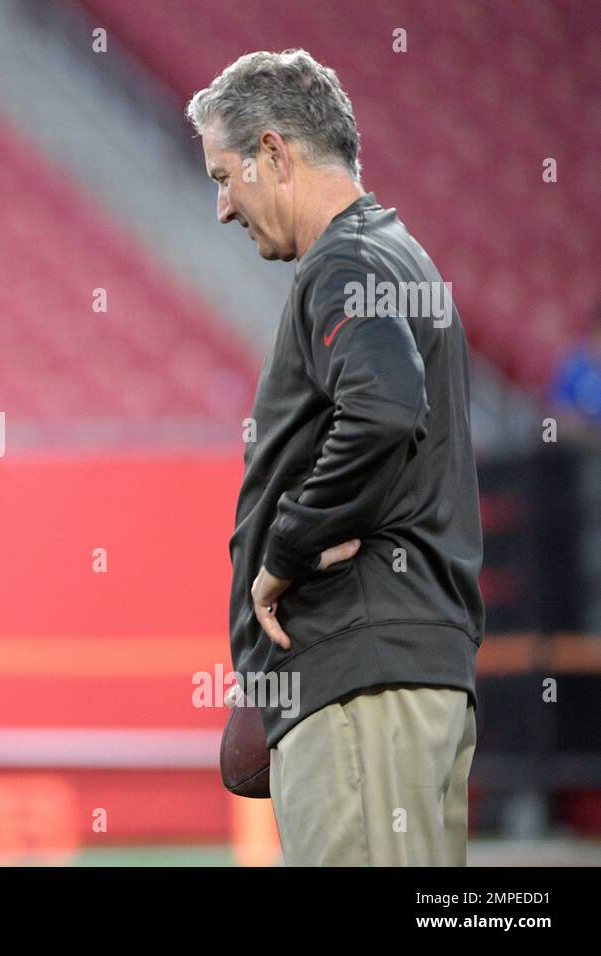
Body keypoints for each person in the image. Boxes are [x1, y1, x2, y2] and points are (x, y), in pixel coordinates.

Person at [187, 50, 484, 865]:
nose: (221, 207)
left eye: (225, 175)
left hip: (363, 678)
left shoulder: (344, 261)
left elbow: (384, 408)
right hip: (399, 674)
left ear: (275, 155)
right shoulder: (395, 254)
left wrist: (288, 545)